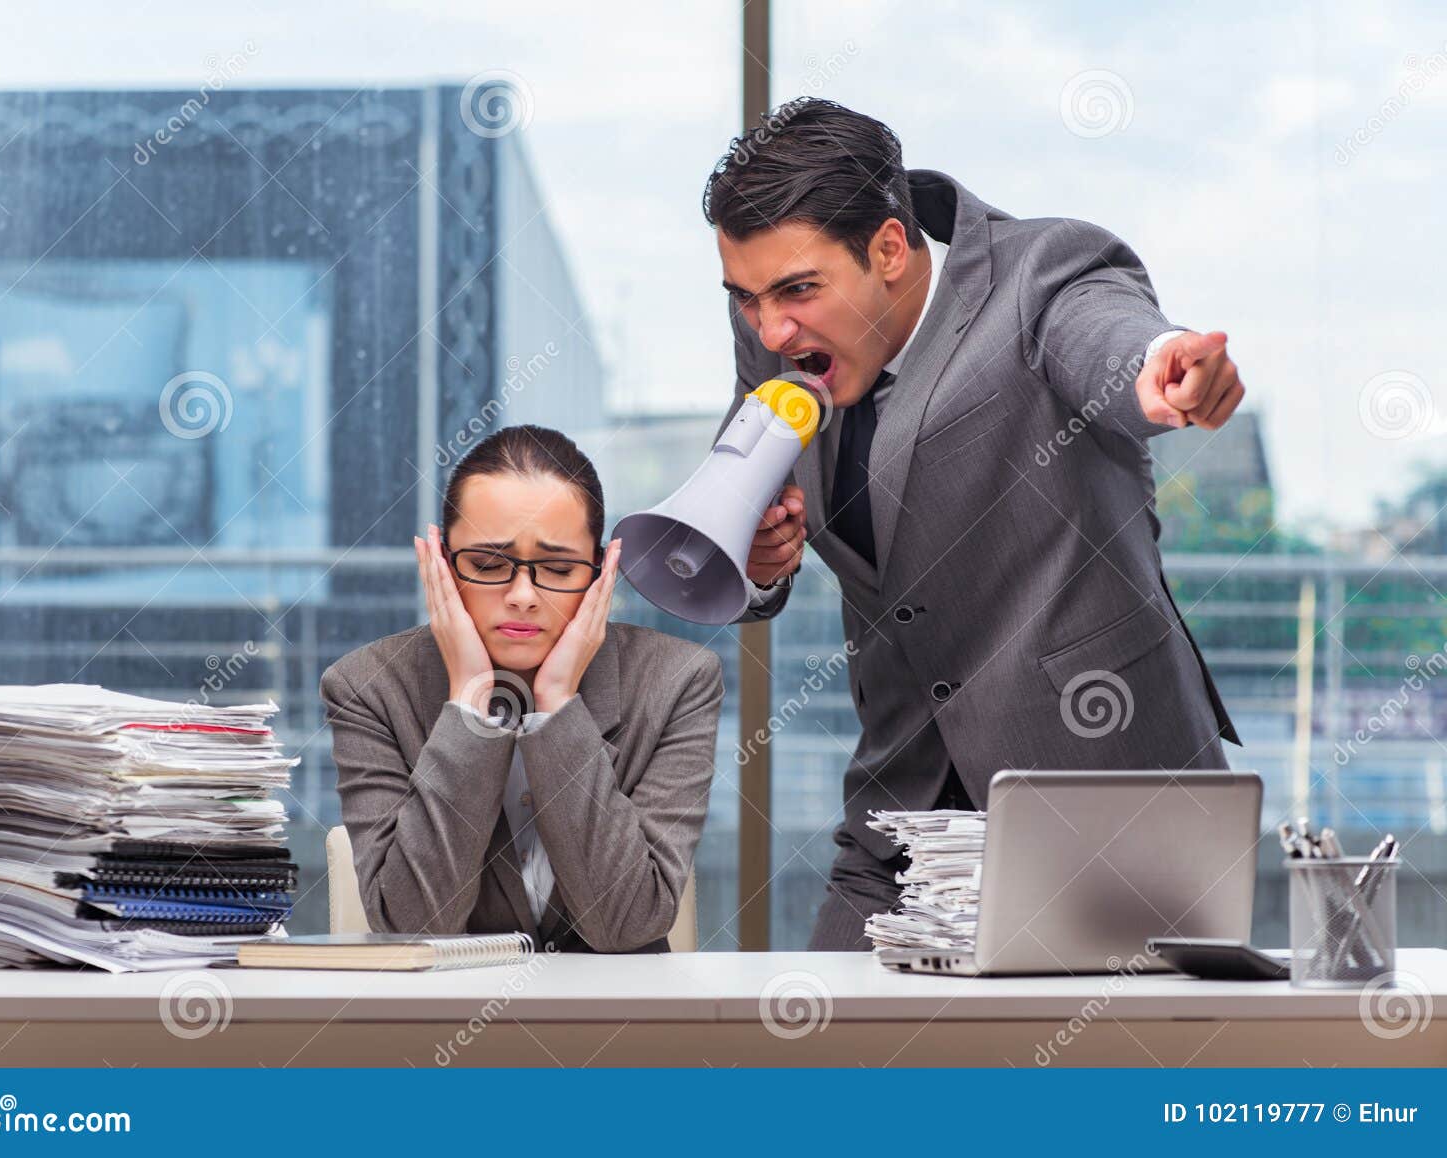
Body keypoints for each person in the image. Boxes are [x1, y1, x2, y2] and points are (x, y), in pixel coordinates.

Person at [707, 98, 1244, 950]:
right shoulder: (778, 335)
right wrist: (762, 560)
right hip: (903, 819)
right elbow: (740, 511)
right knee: (818, 1069)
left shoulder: (1042, 274)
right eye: (746, 297)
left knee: (1102, 1079)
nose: (772, 328)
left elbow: (1108, 337)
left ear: (888, 248)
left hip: (1103, 798)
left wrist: (1157, 369)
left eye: (798, 290)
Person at [321, 424, 723, 953]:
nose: (523, 596)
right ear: (441, 564)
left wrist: (558, 707)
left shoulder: (677, 681)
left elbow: (628, 923)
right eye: (488, 564)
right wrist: (468, 701)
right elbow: (413, 924)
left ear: (602, 573)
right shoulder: (367, 688)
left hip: (622, 1024)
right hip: (439, 1025)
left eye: (558, 568)